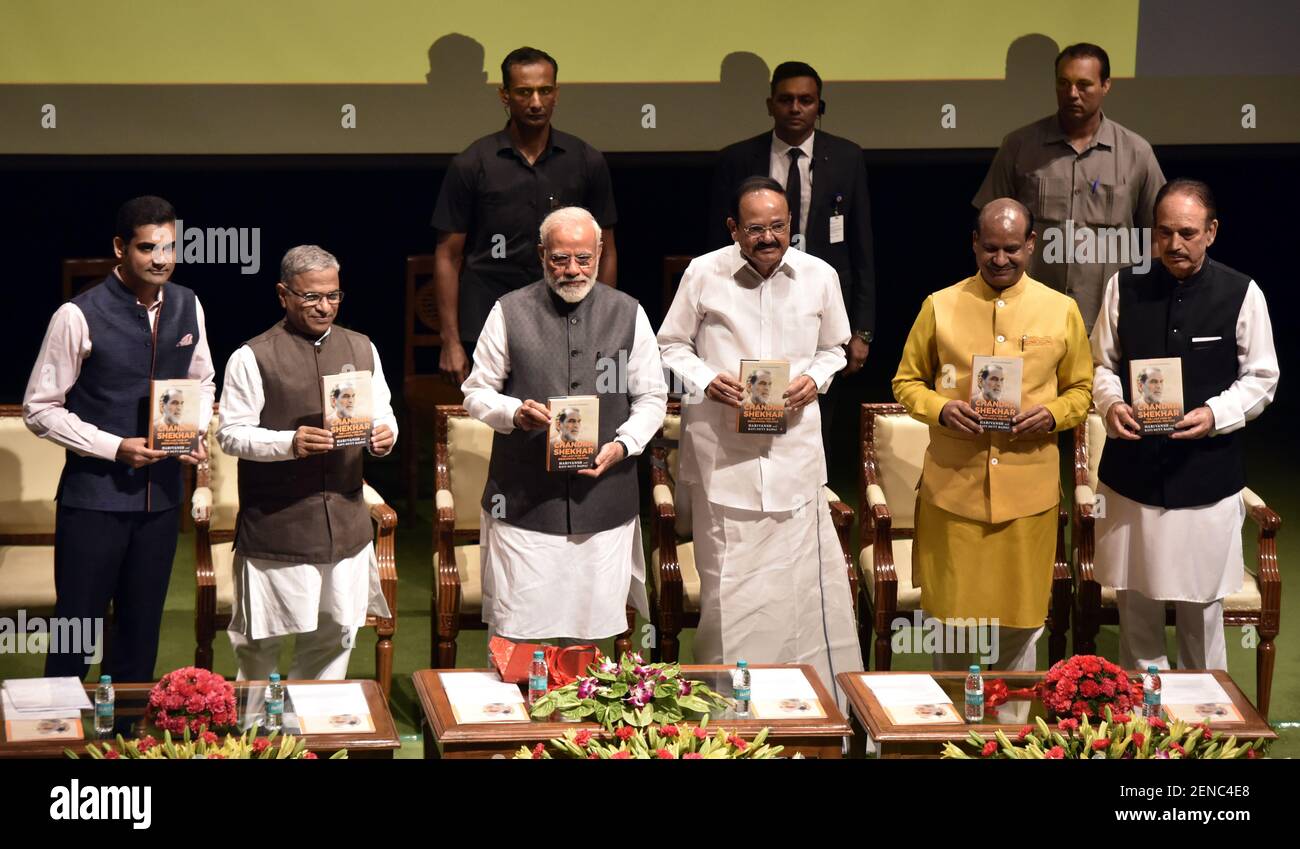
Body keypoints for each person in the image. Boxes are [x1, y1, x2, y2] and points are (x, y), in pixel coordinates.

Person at [659, 176, 862, 702]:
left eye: (778, 226)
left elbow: (835, 349)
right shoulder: (703, 273)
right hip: (725, 462)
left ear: (791, 225)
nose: (768, 238)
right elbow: (670, 346)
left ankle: (807, 708)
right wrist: (707, 380)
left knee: (798, 595)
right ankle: (730, 713)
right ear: (734, 229)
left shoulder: (819, 275)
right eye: (755, 229)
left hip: (793, 458)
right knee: (731, 595)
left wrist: (812, 380)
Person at [893, 199, 1092, 672]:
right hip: (952, 494)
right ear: (974, 245)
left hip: (1028, 496)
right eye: (989, 249)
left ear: (1031, 245)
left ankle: (1013, 738)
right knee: (951, 624)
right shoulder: (939, 305)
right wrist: (941, 410)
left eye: (1011, 249)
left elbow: (1082, 391)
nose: (999, 260)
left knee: (1022, 625)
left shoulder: (1060, 309)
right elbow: (905, 383)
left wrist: (1052, 414)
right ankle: (950, 738)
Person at [23, 195, 214, 681]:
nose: (162, 259)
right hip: (94, 501)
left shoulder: (189, 304)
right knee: (77, 629)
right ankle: (55, 736)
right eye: (149, 248)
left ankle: (125, 742)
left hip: (162, 501)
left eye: (170, 247)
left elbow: (203, 380)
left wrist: (191, 429)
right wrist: (115, 446)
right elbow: (39, 408)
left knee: (140, 629)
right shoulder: (78, 314)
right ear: (120, 248)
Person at [1090, 179, 1278, 672]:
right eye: (1165, 232)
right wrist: (1111, 405)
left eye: (1188, 233)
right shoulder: (1122, 286)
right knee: (1136, 611)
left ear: (1211, 232)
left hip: (1207, 479)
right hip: (1131, 478)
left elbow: (1262, 376)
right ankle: (1141, 731)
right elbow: (1101, 366)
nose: (1175, 244)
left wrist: (1216, 414)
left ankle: (1207, 730)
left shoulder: (1242, 292)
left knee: (1201, 613)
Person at [462, 206, 667, 644]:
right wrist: (513, 413)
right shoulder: (508, 311)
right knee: (519, 637)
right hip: (524, 504)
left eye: (583, 258)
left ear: (599, 252)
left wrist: (625, 444)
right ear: (541, 255)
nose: (572, 270)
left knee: (588, 642)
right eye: (559, 259)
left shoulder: (629, 313)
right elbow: (476, 392)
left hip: (604, 504)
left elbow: (652, 396)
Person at [217, 245, 397, 681]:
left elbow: (384, 411)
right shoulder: (252, 356)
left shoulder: (362, 346)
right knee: (260, 643)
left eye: (333, 296)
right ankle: (257, 737)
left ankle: (313, 738)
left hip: (346, 526)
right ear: (283, 294)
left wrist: (384, 436)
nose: (324, 306)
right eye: (311, 297)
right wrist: (289, 443)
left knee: (335, 635)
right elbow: (230, 434)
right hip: (279, 527)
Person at [710, 61, 876, 466]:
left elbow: (862, 248)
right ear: (770, 105)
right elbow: (718, 243)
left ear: (820, 106)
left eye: (806, 100)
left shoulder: (847, 157)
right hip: (746, 303)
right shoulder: (737, 159)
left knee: (814, 414)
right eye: (786, 100)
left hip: (815, 310)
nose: (795, 108)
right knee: (747, 416)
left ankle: (814, 500)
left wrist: (862, 331)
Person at [432, 46, 619, 386]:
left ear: (556, 93)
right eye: (524, 92)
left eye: (544, 91)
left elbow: (605, 247)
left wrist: (603, 324)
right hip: (487, 316)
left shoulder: (585, 160)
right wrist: (450, 340)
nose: (536, 102)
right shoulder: (472, 163)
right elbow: (448, 255)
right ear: (505, 95)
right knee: (489, 429)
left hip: (566, 313)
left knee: (562, 424)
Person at [973, 43, 1165, 332]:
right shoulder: (1020, 146)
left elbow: (1156, 235)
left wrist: (1147, 304)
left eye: (1084, 85)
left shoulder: (1136, 152)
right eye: (1063, 83)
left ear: (1106, 86)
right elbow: (988, 228)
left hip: (1106, 319)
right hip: (1029, 318)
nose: (1072, 93)